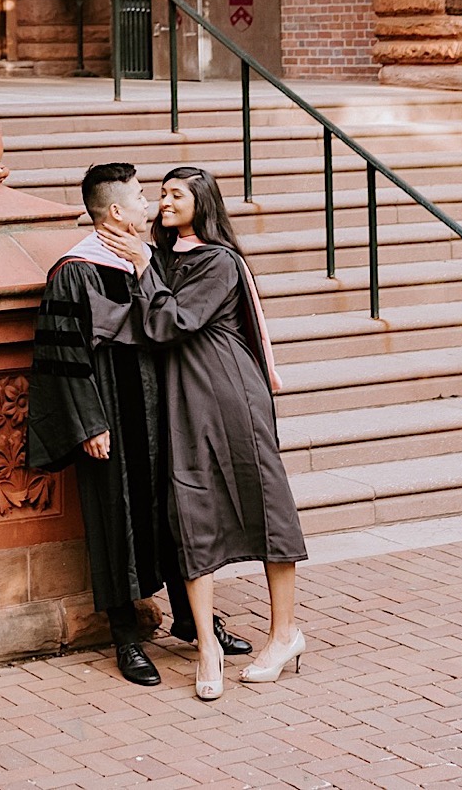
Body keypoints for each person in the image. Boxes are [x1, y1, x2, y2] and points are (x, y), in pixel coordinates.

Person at [25, 160, 252, 685]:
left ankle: (194, 624)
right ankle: (126, 637)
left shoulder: (154, 259)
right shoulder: (77, 270)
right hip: (113, 419)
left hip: (167, 412)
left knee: (178, 516)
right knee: (117, 524)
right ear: (115, 211)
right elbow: (65, 354)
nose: (150, 203)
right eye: (141, 195)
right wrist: (88, 424)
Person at [98, 164, 306, 703]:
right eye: (160, 195)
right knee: (191, 512)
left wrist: (144, 265)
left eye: (175, 195)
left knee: (264, 505)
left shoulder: (219, 262)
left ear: (202, 203)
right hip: (182, 399)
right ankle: (207, 644)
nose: (164, 203)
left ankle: (285, 635)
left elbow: (173, 323)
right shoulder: (160, 257)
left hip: (232, 394)